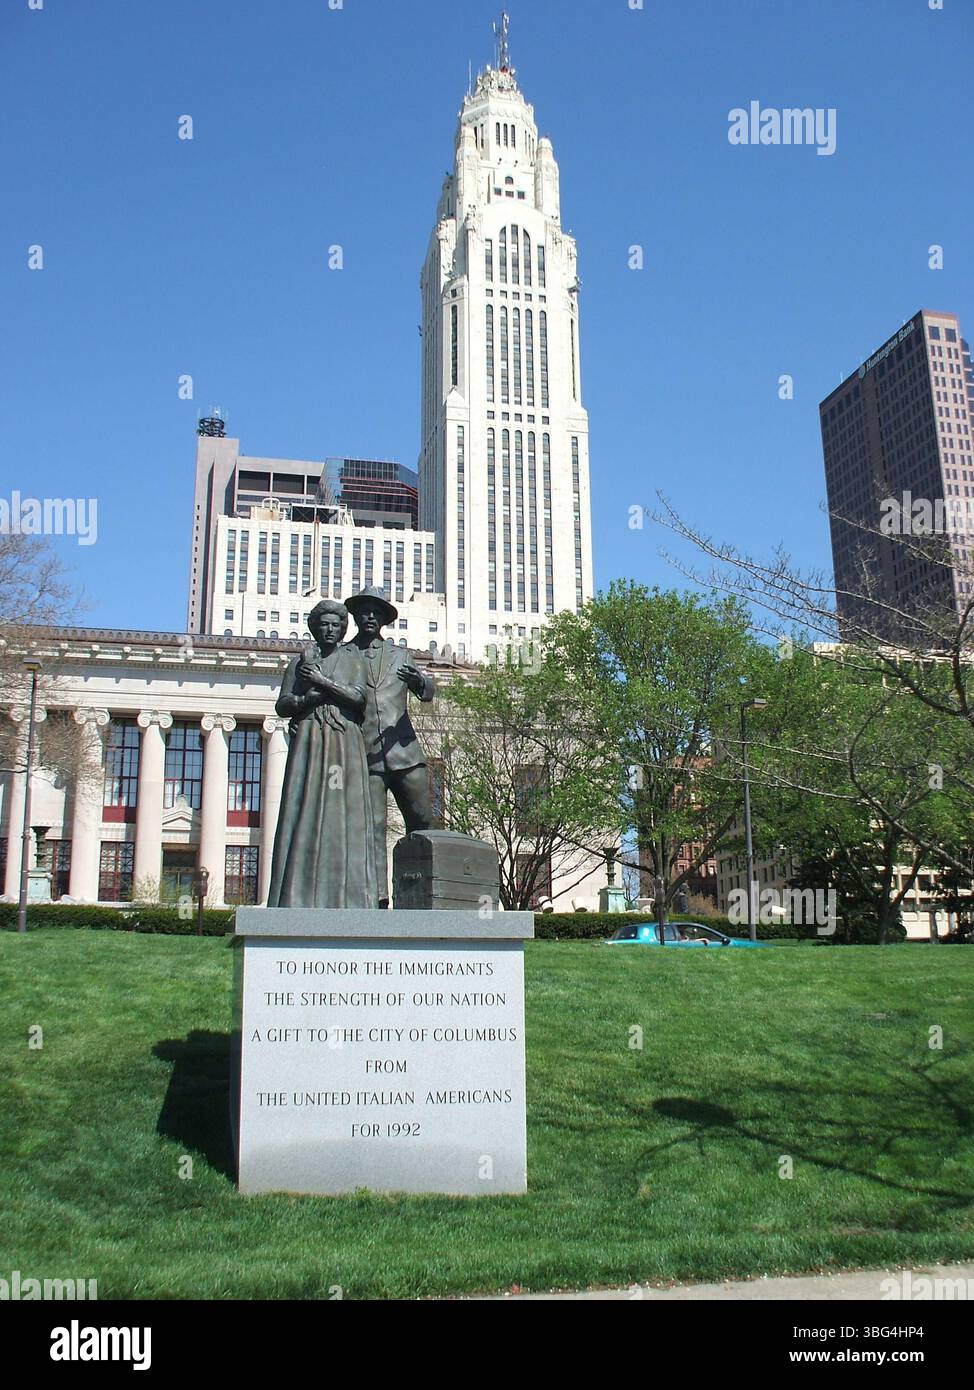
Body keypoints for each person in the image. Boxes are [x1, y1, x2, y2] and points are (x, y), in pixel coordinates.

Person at [266, 599, 377, 909]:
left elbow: (358, 697)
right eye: (324, 625)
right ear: (315, 628)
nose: (330, 630)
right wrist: (305, 701)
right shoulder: (299, 664)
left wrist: (322, 683)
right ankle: (296, 894)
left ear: (343, 630)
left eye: (336, 625)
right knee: (307, 806)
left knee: (346, 810)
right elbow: (283, 705)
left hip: (344, 741)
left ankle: (351, 897)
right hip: (311, 739)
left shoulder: (353, 660)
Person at [343, 586, 436, 906]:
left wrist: (419, 681)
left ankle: (422, 892)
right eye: (364, 611)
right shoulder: (343, 656)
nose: (370, 616)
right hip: (366, 755)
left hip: (405, 752)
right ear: (355, 616)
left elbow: (427, 692)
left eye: (376, 612)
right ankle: (378, 897)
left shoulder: (400, 655)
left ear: (384, 619)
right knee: (373, 829)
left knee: (422, 821)